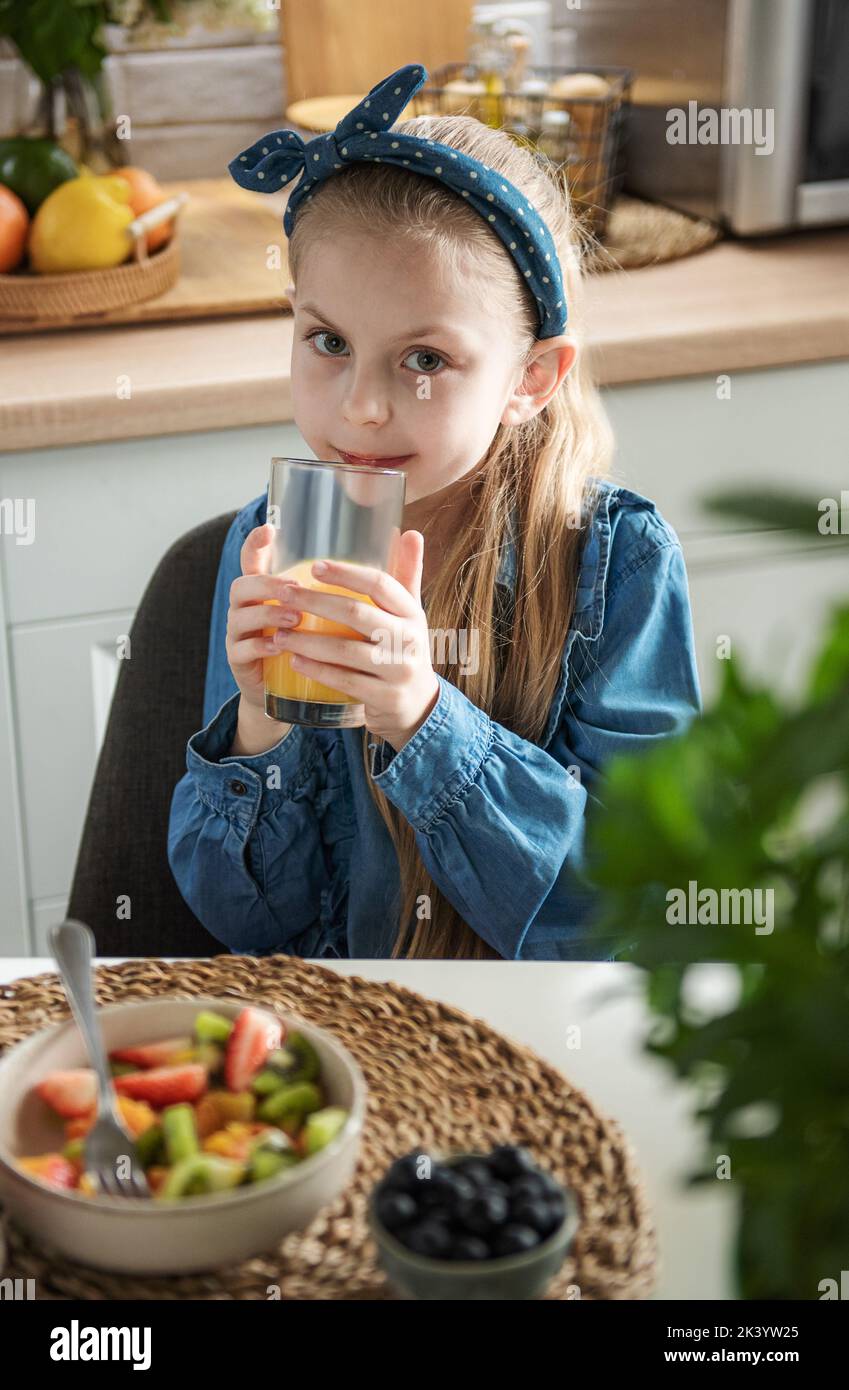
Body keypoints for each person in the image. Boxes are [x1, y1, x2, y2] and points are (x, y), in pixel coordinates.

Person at [168, 64, 702, 961]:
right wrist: (259, 729)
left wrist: (422, 718)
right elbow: (247, 926)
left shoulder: (619, 562)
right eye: (328, 341)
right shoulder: (269, 542)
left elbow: (633, 923)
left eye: (424, 359)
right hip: (357, 1040)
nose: (363, 407)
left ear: (529, 380)